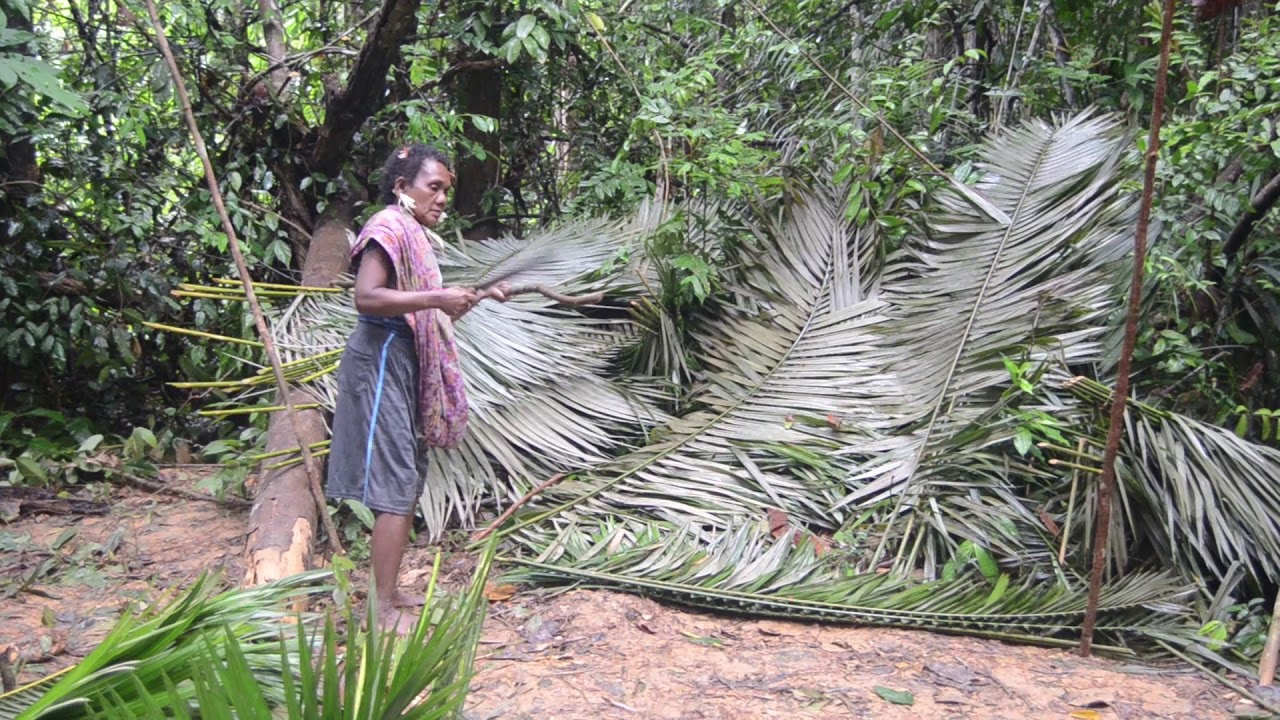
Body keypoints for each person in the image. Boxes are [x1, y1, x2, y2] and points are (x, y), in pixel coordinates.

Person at [326, 144, 508, 633]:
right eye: (434, 187)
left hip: (404, 360)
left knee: (407, 476)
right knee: (394, 480)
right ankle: (378, 609)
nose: (443, 197)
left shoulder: (414, 233)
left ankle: (389, 592)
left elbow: (421, 301)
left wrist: (473, 296)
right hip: (381, 357)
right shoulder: (386, 227)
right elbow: (367, 297)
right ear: (402, 187)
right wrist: (434, 298)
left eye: (447, 189)